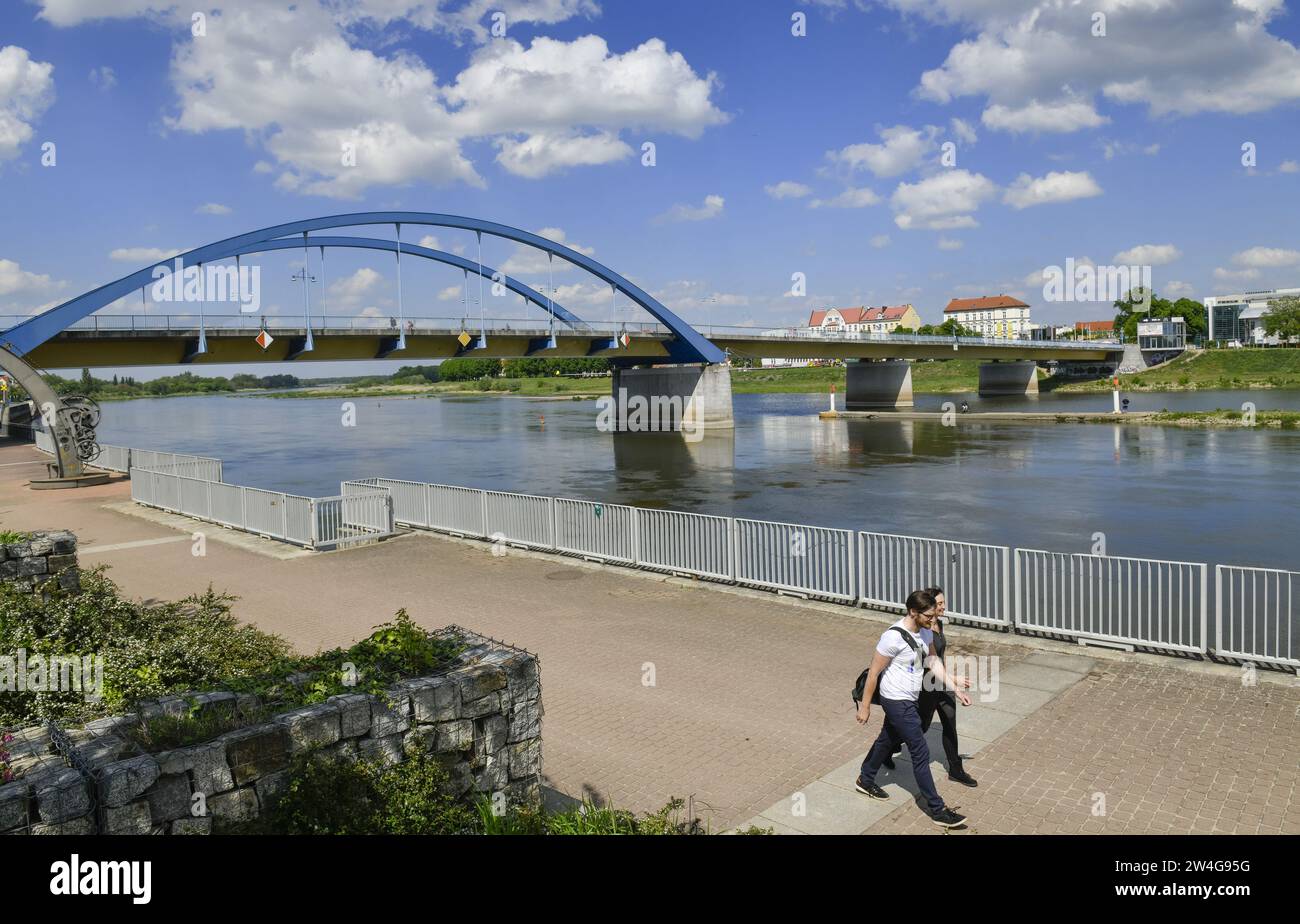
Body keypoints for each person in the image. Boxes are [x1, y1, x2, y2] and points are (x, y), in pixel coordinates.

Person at [854, 590, 968, 828]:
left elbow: (933, 662)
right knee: (920, 751)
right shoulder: (892, 637)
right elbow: (874, 672)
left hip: (910, 698)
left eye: (933, 614)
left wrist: (954, 688)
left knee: (887, 739)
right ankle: (937, 809)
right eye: (928, 615)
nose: (933, 618)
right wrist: (865, 707)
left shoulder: (926, 631)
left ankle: (865, 778)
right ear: (913, 612)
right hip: (895, 700)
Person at [918, 586, 978, 787]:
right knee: (920, 727)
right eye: (940, 603)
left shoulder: (939, 625)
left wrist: (952, 684)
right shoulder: (923, 630)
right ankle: (887, 750)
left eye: (944, 602)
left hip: (942, 684)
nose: (944, 606)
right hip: (927, 686)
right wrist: (955, 679)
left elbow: (939, 660)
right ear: (931, 606)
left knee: (950, 725)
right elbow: (928, 664)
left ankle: (956, 769)